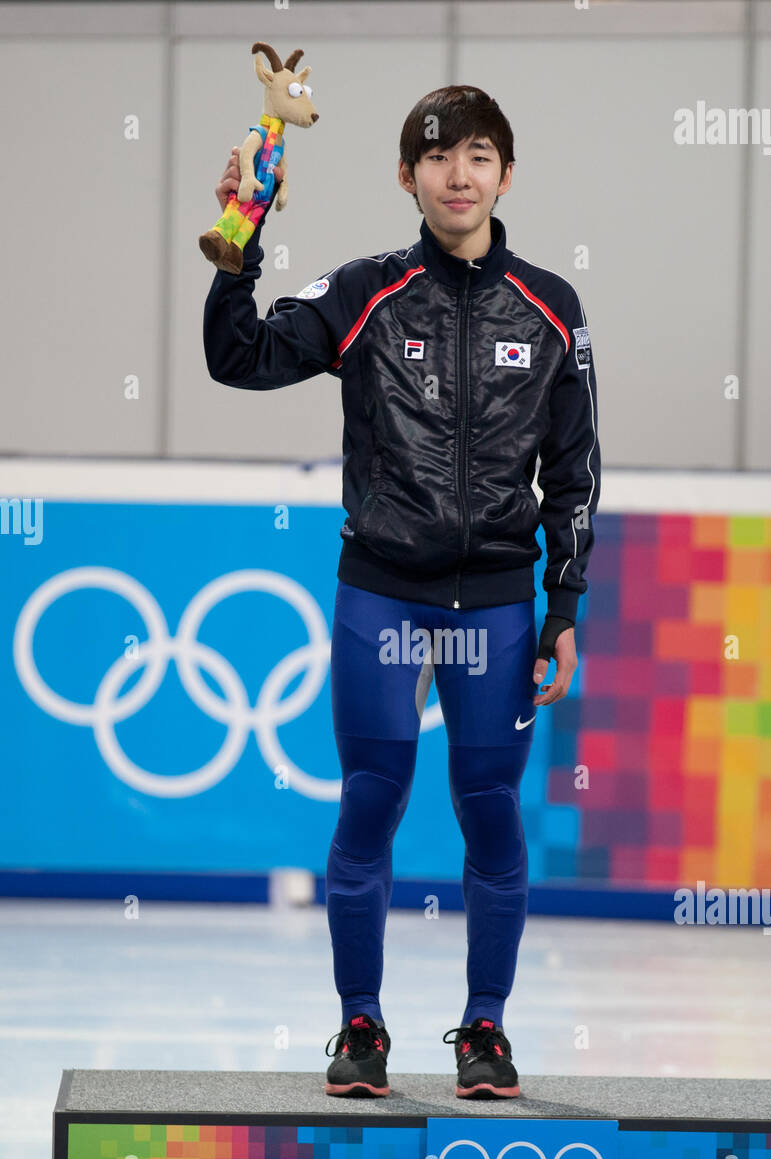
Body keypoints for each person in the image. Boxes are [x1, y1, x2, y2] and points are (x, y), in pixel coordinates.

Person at [203, 85, 600, 1100]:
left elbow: (575, 471)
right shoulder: (362, 293)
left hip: (500, 607)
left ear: (504, 175)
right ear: (405, 176)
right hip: (380, 592)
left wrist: (560, 611)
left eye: (477, 156)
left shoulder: (553, 306)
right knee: (369, 807)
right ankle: (360, 1027)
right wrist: (237, 243)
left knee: (489, 813)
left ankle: (483, 1031)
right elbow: (235, 357)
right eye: (436, 158)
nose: (456, 175)